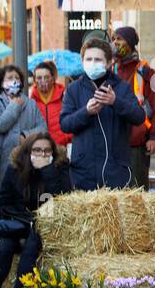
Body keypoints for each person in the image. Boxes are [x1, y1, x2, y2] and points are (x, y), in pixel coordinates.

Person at [60, 38, 147, 190]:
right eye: (89, 59)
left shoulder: (122, 87)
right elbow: (65, 124)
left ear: (108, 63)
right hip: (84, 171)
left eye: (98, 59)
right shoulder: (73, 89)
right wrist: (86, 112)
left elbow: (139, 117)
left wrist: (115, 102)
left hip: (116, 171)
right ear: (82, 61)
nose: (93, 63)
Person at [0, 133, 74, 288]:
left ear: (53, 152)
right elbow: (4, 200)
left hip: (46, 222)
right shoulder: (15, 168)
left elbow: (62, 197)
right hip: (19, 221)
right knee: (6, 245)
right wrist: (21, 217)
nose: (42, 154)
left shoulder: (60, 166)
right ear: (28, 151)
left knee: (33, 241)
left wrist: (47, 170)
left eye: (47, 151)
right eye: (37, 150)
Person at [111, 26, 155, 189]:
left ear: (130, 43)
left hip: (137, 145)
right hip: (113, 142)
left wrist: (153, 137)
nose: (115, 42)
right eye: (113, 39)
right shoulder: (109, 69)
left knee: (137, 194)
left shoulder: (148, 72)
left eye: (119, 39)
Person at [0, 65, 48, 182]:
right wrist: (14, 106)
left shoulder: (31, 103)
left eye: (17, 78)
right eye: (10, 78)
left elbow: (43, 128)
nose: (14, 80)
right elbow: (0, 125)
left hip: (27, 160)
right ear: (1, 83)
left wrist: (26, 136)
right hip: (2, 162)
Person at [30, 61, 71, 148]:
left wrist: (65, 138)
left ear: (53, 79)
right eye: (39, 78)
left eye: (46, 77)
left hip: (60, 147)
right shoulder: (30, 101)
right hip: (38, 149)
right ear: (34, 80)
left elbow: (72, 120)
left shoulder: (64, 96)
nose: (43, 81)